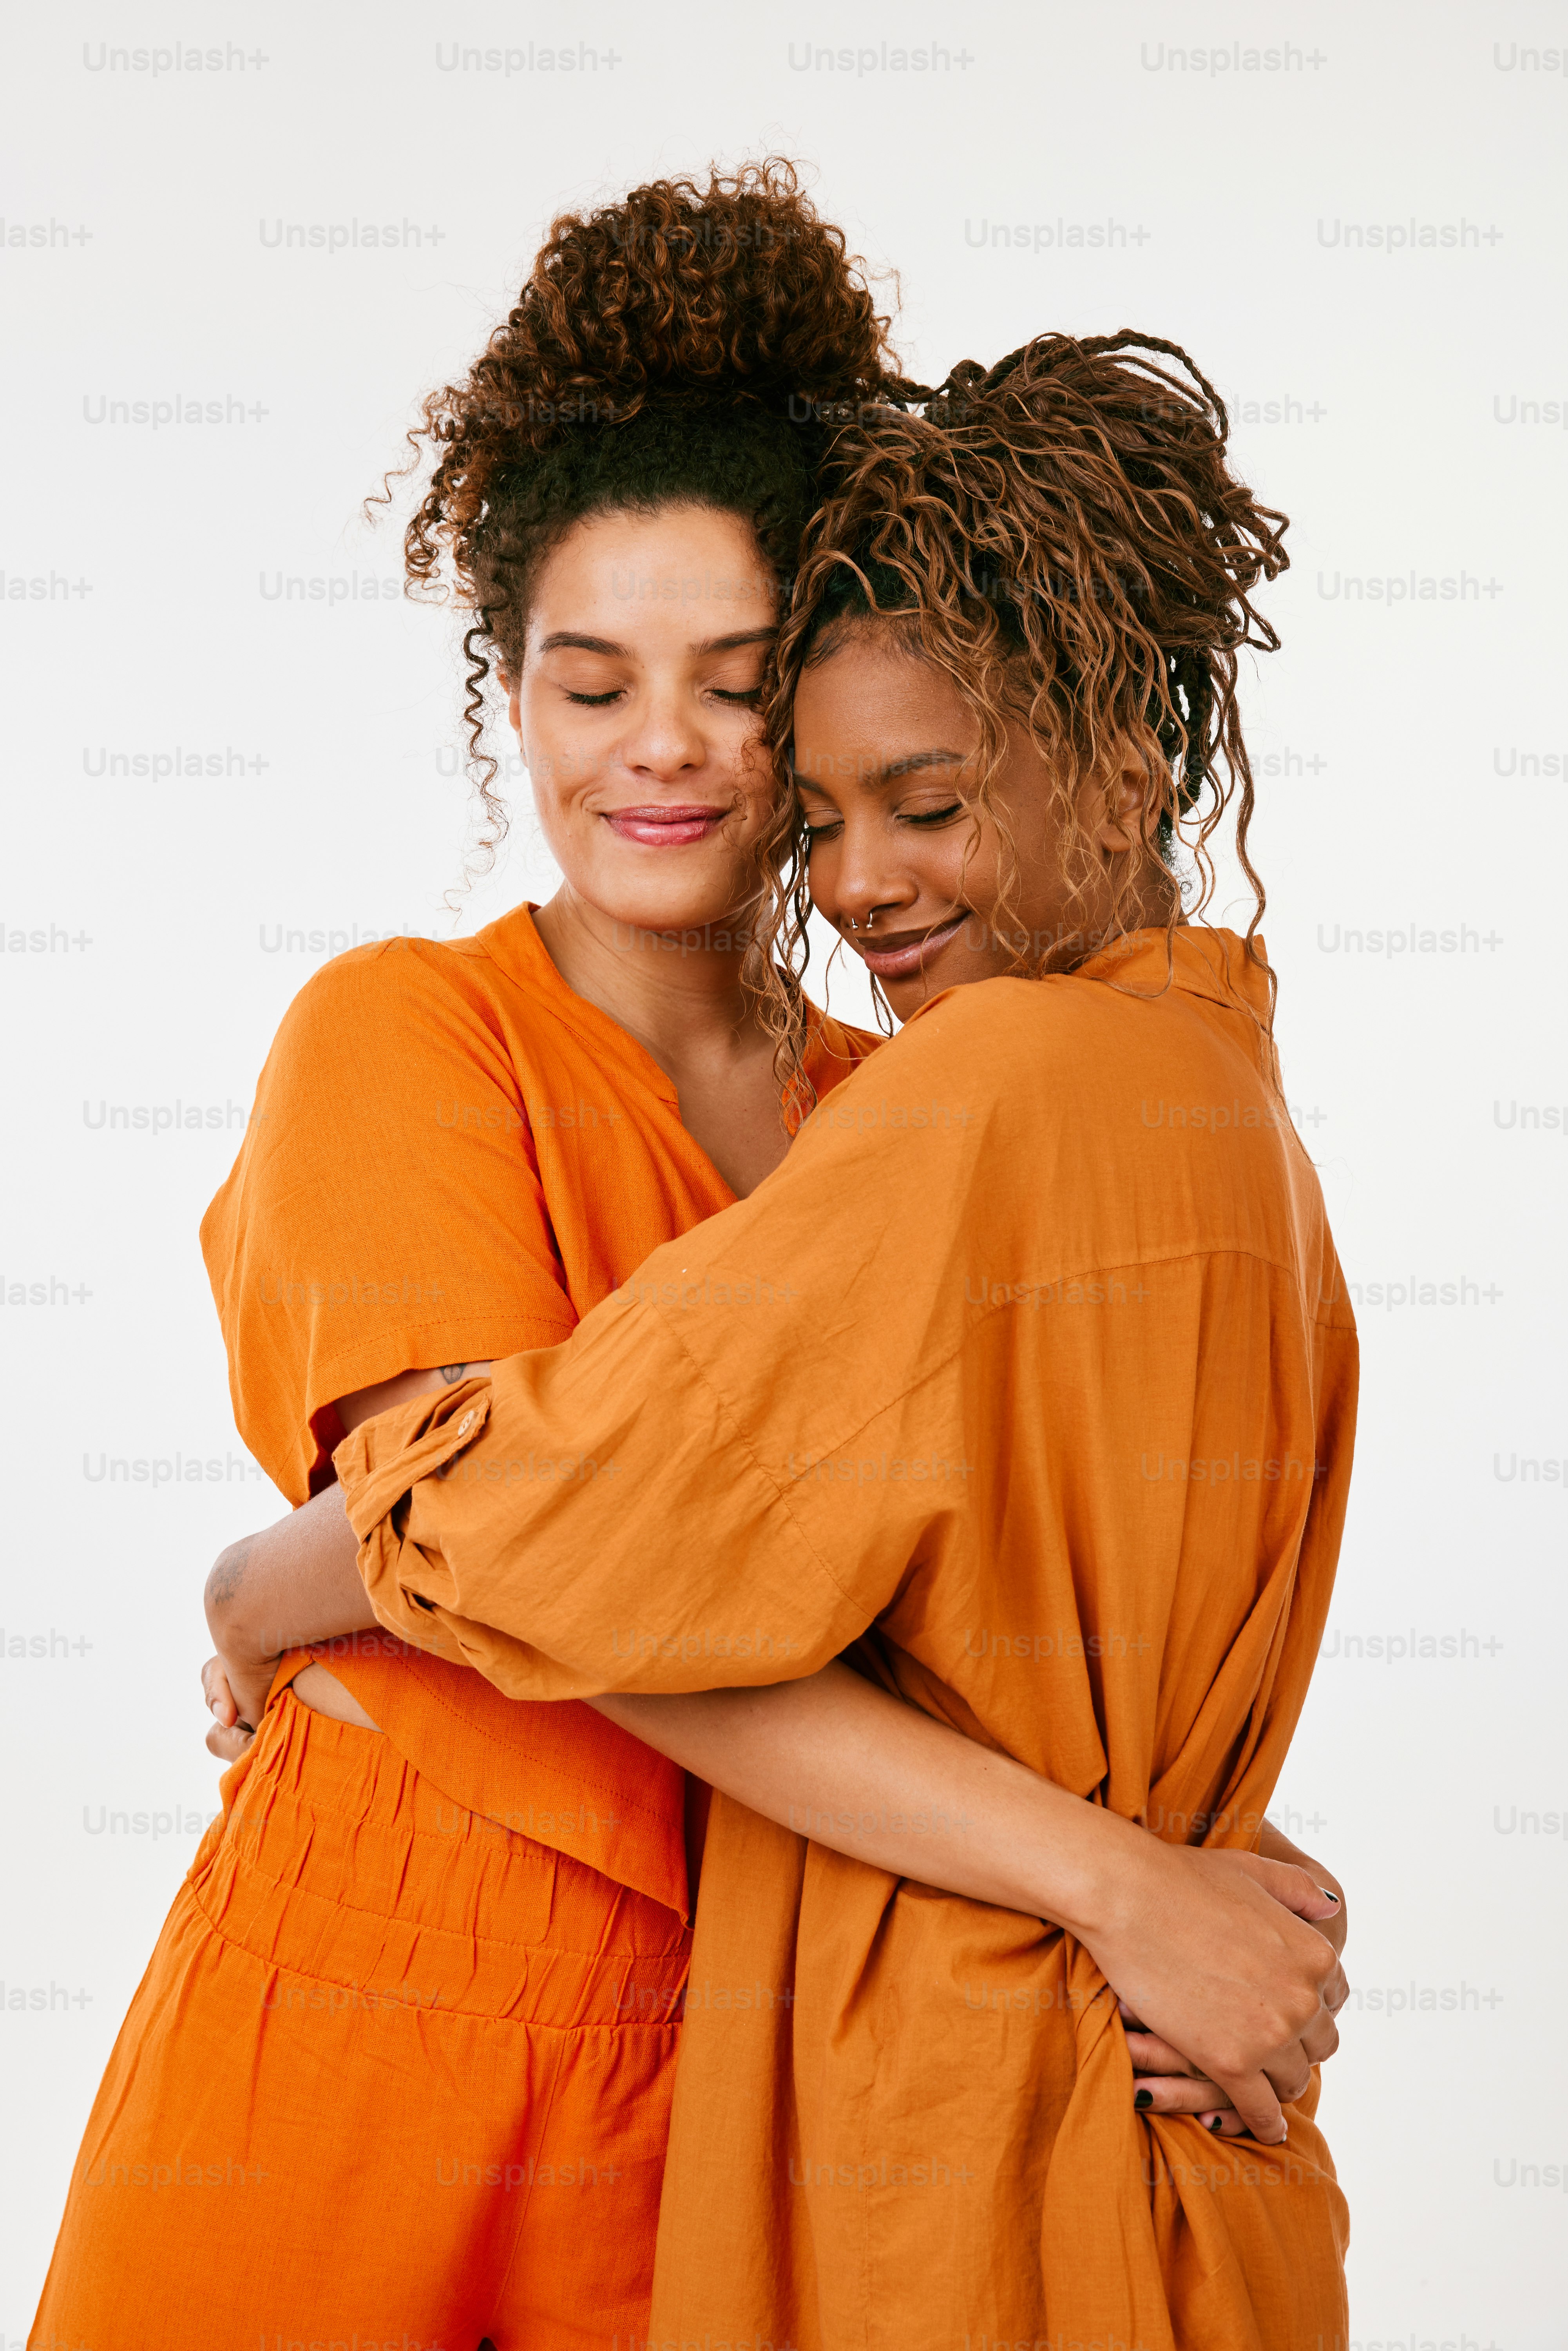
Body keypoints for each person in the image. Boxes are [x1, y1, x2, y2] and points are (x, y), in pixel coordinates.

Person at [30, 179, 1338, 2351]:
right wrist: (1117, 1884)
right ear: (507, 693)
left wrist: (1209, 1876)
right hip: (376, 2001)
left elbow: (965, 1641)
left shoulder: (907, 1104)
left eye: (733, 690)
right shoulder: (407, 1037)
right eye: (587, 681)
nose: (657, 747)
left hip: (759, 2060)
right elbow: (548, 1569)